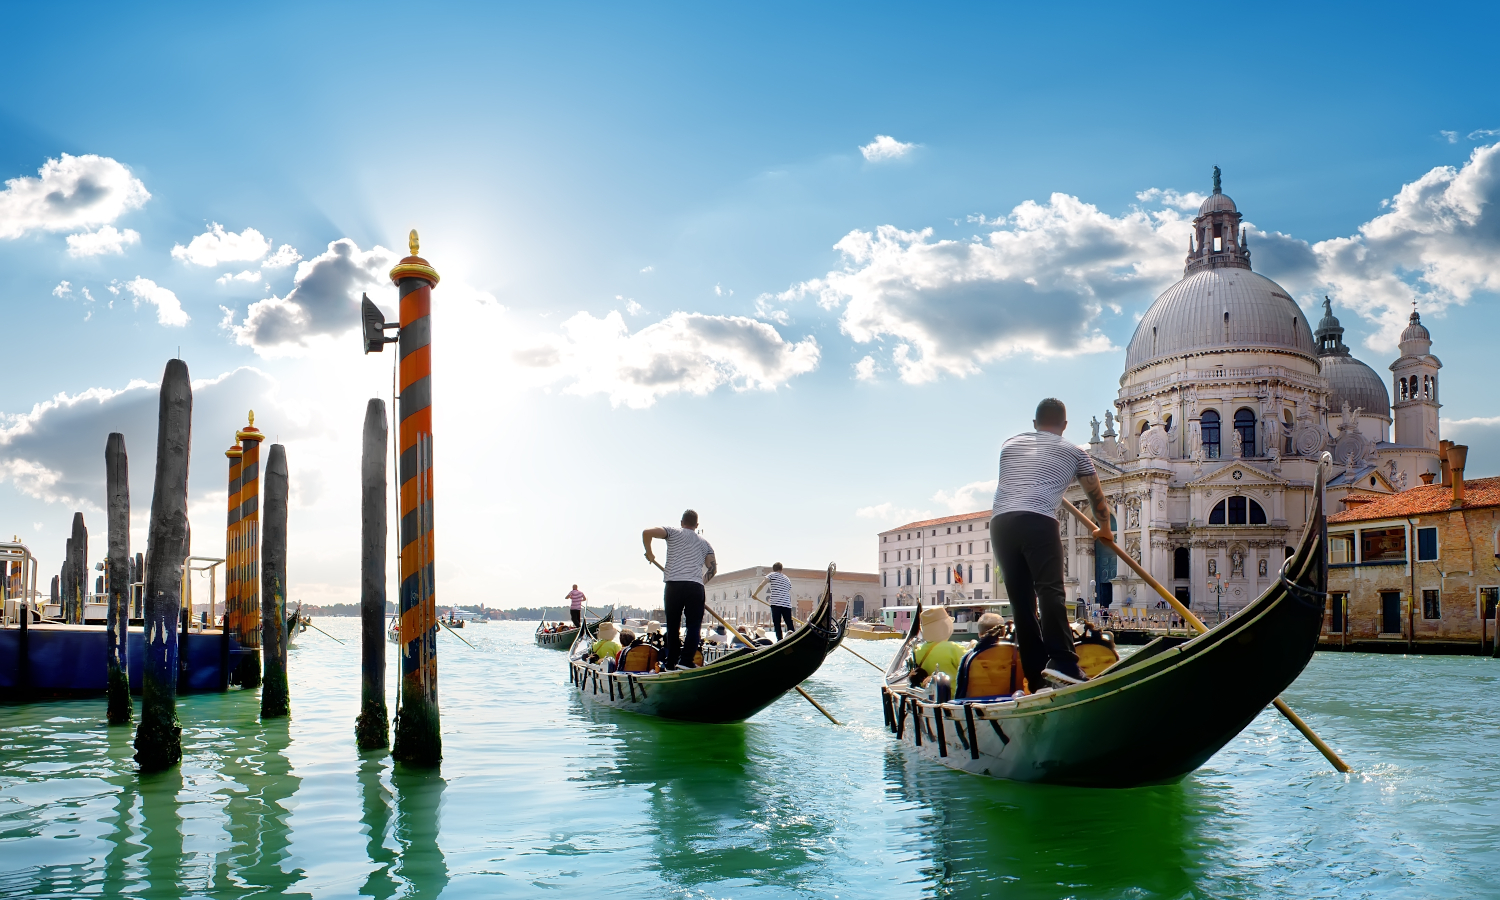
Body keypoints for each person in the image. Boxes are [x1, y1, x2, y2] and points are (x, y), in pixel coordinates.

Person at [991, 398, 1112, 687]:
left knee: (1022, 604)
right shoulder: (1075, 452)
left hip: (1000, 523)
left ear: (1035, 423)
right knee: (1050, 593)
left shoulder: (1009, 444)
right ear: (1065, 425)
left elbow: (1023, 479)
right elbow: (1096, 498)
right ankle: (1063, 663)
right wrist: (1105, 529)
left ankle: (1035, 678)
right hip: (1038, 520)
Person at [642, 509, 717, 670]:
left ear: (681, 522)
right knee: (694, 626)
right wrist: (699, 582)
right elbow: (713, 569)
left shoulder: (672, 531)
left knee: (673, 625)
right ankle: (686, 661)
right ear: (697, 525)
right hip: (695, 586)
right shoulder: (705, 543)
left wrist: (650, 553)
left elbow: (647, 532)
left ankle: (671, 662)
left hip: (673, 585)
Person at [909, 607, 966, 687]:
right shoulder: (953, 648)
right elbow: (972, 666)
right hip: (952, 694)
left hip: (928, 693)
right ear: (946, 627)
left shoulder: (917, 651)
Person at [752, 562, 795, 640]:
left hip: (776, 603)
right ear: (781, 569)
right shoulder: (787, 578)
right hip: (787, 604)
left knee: (777, 624)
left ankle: (780, 640)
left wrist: (755, 594)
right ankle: (794, 639)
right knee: (789, 623)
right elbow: (787, 589)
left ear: (773, 569)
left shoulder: (772, 575)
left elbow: (762, 584)